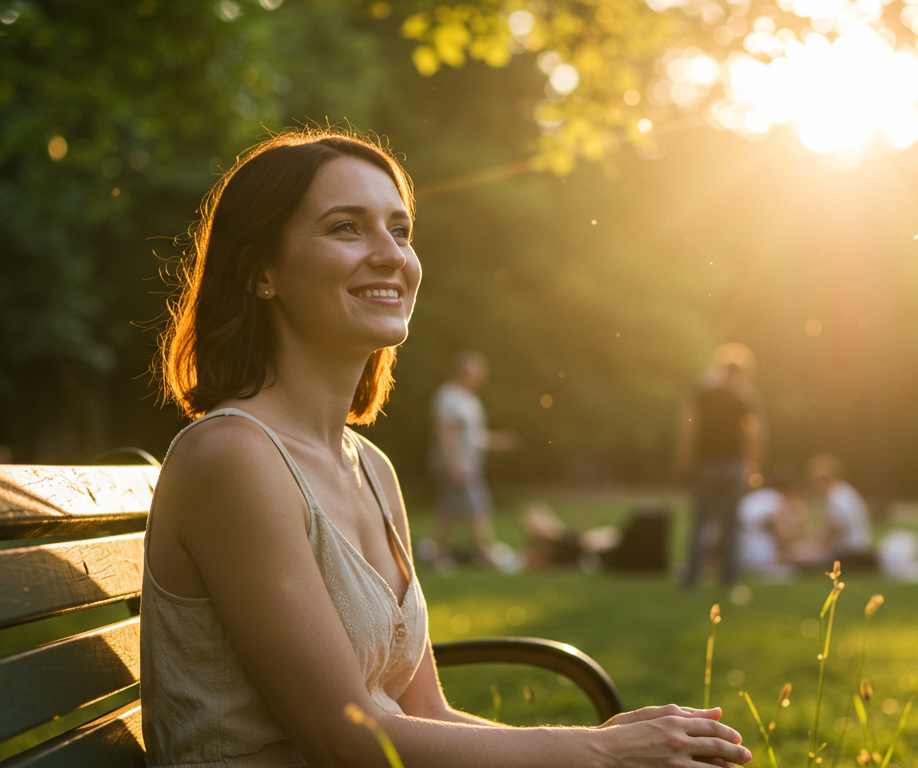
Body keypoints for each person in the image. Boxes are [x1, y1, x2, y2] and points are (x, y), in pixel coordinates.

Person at [142, 131, 751, 768]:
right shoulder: (232, 458)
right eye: (346, 228)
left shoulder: (371, 468)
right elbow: (345, 739)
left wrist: (606, 752)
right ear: (260, 271)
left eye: (400, 230)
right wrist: (599, 751)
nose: (391, 255)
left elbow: (427, 715)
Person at [673, 343, 765, 590]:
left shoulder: (702, 393)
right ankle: (729, 581)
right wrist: (754, 467)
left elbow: (688, 426)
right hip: (732, 466)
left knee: (699, 522)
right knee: (730, 525)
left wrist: (683, 458)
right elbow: (754, 435)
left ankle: (692, 580)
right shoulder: (745, 397)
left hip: (705, 464)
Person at [429, 351, 516, 568]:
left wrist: (497, 441)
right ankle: (485, 553)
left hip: (469, 464)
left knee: (449, 509)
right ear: (464, 372)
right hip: (456, 464)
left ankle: (438, 554)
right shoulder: (448, 396)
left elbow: (473, 436)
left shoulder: (470, 400)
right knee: (478, 505)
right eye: (476, 372)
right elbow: (444, 432)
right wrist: (453, 464)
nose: (480, 378)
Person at [802, 453, 875, 569]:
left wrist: (813, 548)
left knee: (801, 556)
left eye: (821, 479)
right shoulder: (840, 492)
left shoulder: (837, 497)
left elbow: (835, 531)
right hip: (849, 549)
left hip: (851, 552)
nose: (816, 484)